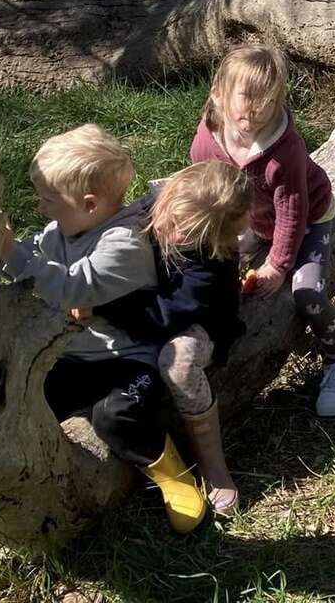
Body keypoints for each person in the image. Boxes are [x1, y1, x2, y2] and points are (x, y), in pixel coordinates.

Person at [1, 124, 206, 533]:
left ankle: (170, 471)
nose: (40, 208)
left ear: (89, 204)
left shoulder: (123, 244)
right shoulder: (62, 230)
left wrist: (11, 252)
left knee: (116, 416)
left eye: (47, 200)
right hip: (77, 355)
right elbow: (35, 261)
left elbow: (72, 286)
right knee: (27, 399)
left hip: (128, 358)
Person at [189, 45, 335, 417]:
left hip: (310, 218)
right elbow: (205, 192)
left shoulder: (285, 150)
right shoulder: (207, 139)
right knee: (218, 270)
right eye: (246, 95)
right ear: (218, 93)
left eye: (268, 97)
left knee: (306, 290)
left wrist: (278, 266)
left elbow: (292, 211)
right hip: (251, 219)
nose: (257, 107)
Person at [95, 160, 249, 516]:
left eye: (188, 232)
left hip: (197, 323)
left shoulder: (210, 267)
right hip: (147, 307)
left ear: (211, 237)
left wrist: (105, 306)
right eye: (174, 220)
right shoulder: (158, 205)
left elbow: (166, 316)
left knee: (177, 362)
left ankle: (213, 464)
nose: (173, 231)